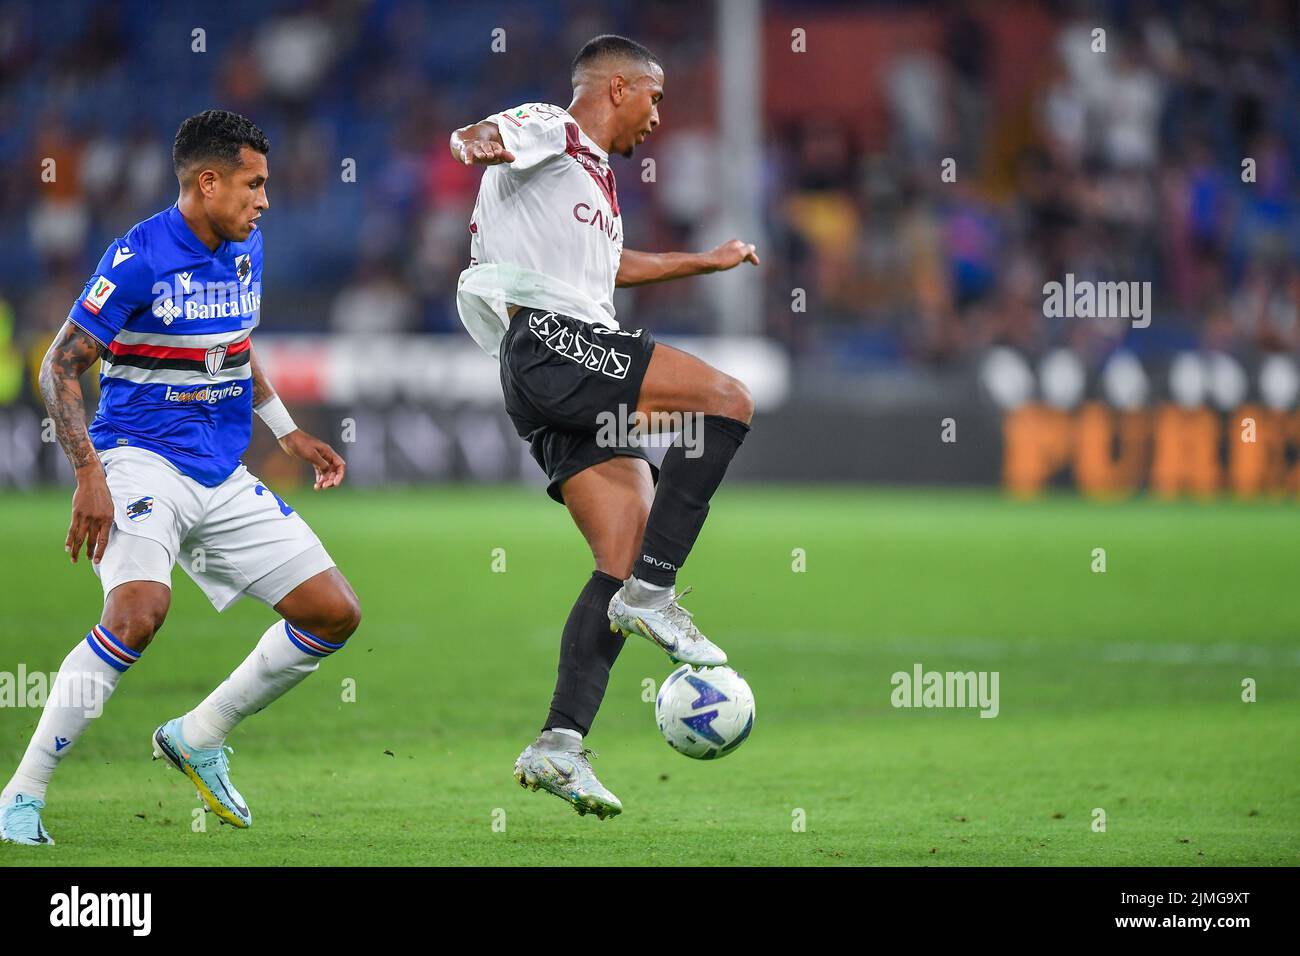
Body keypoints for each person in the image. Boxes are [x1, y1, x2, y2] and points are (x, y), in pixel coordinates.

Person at [0, 110, 361, 845]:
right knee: (136, 613)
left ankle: (199, 735)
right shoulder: (137, 258)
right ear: (207, 181)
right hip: (138, 458)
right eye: (253, 184)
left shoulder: (244, 247)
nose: (264, 200)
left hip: (218, 469)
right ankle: (22, 793)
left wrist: (288, 432)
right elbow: (58, 365)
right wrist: (89, 475)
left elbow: (233, 343)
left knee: (333, 612)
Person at [451, 35, 759, 819]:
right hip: (555, 339)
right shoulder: (554, 128)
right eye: (654, 98)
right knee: (727, 401)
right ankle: (656, 596)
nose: (659, 116)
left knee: (621, 554)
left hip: (548, 366)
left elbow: (614, 267)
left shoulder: (592, 178)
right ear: (618, 87)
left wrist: (706, 261)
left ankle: (558, 746)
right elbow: (482, 139)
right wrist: (477, 141)